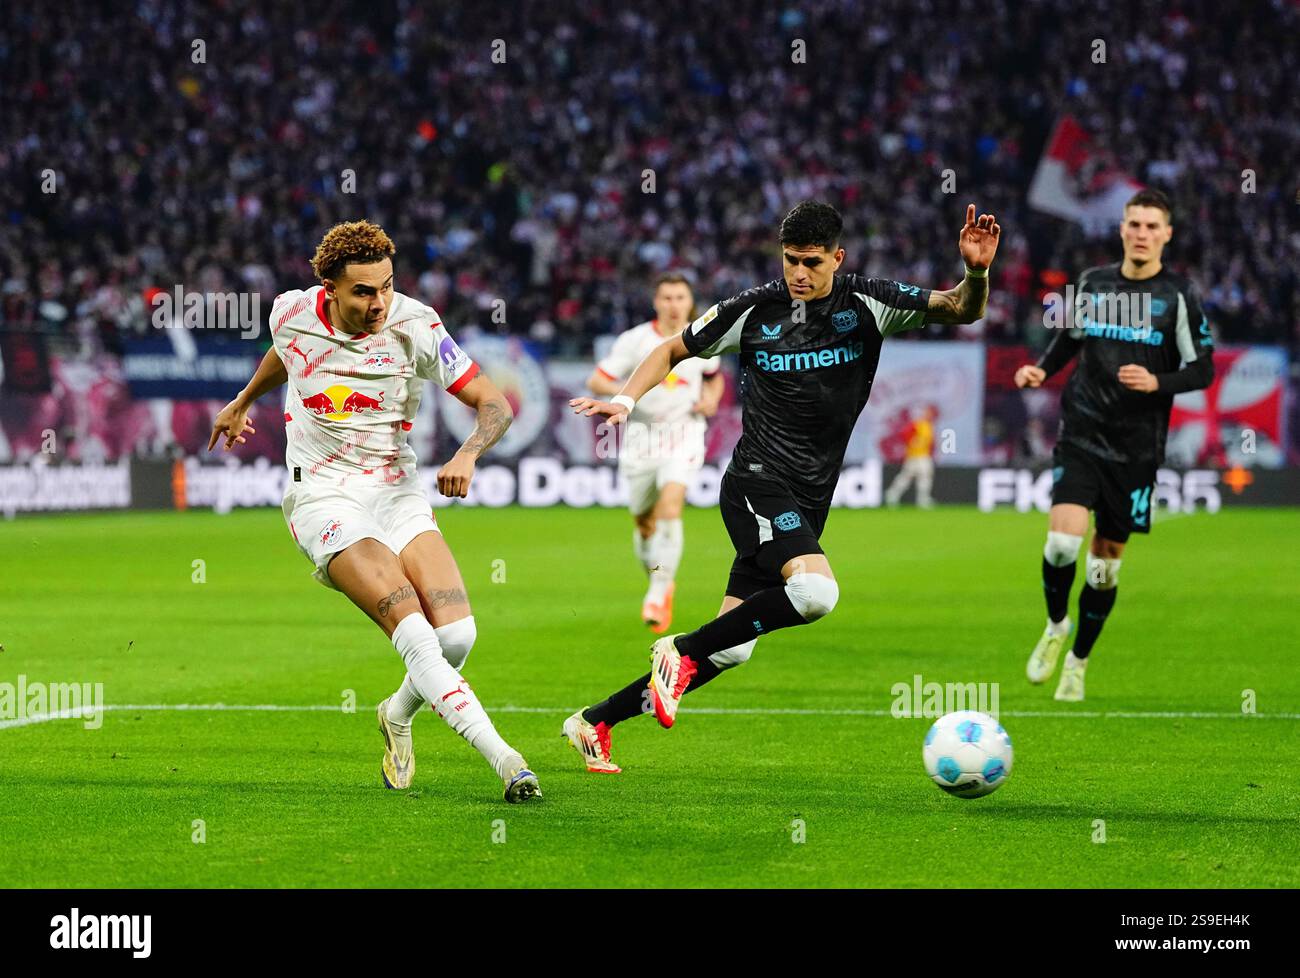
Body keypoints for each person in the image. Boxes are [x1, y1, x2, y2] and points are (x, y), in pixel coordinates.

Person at [561, 201, 1000, 773]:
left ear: (837, 259)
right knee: (816, 594)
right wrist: (623, 401)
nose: (798, 273)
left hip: (810, 497)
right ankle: (680, 648)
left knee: (733, 648)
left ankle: (595, 722)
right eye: (791, 259)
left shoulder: (869, 302)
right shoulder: (753, 310)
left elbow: (961, 309)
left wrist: (976, 272)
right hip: (755, 482)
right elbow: (671, 349)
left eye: (812, 262)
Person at [208, 220, 541, 802]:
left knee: (456, 636)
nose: (379, 303)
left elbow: (494, 402)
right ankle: (508, 761)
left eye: (386, 286)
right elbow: (286, 352)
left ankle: (396, 712)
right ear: (330, 290)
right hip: (322, 495)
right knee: (414, 631)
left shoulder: (417, 325)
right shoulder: (291, 312)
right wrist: (243, 401)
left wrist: (468, 451)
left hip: (396, 491)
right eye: (363, 292)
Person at [1015, 189, 1214, 702]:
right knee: (1062, 543)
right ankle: (1056, 625)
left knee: (1103, 568)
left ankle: (1078, 660)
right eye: (1135, 224)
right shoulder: (1094, 283)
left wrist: (1158, 382)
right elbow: (1070, 339)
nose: (1142, 233)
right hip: (1082, 434)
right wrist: (1042, 369)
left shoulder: (1179, 296)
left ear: (1166, 234)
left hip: (1136, 451)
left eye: (1152, 226)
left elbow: (1202, 369)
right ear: (1123, 229)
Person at [585, 272, 725, 632]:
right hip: (641, 438)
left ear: (689, 302)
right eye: (667, 298)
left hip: (684, 434)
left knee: (670, 507)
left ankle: (658, 593)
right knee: (644, 523)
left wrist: (711, 400)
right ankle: (660, 581)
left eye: (680, 298)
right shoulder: (635, 341)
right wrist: (632, 391)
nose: (674, 305)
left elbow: (714, 377)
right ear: (656, 302)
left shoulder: (702, 334)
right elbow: (597, 380)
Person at [884, 404, 939, 508]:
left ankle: (923, 499)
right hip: (913, 456)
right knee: (906, 477)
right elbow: (903, 434)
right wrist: (911, 442)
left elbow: (930, 443)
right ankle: (892, 495)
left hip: (923, 456)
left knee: (925, 477)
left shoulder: (928, 426)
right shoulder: (918, 424)